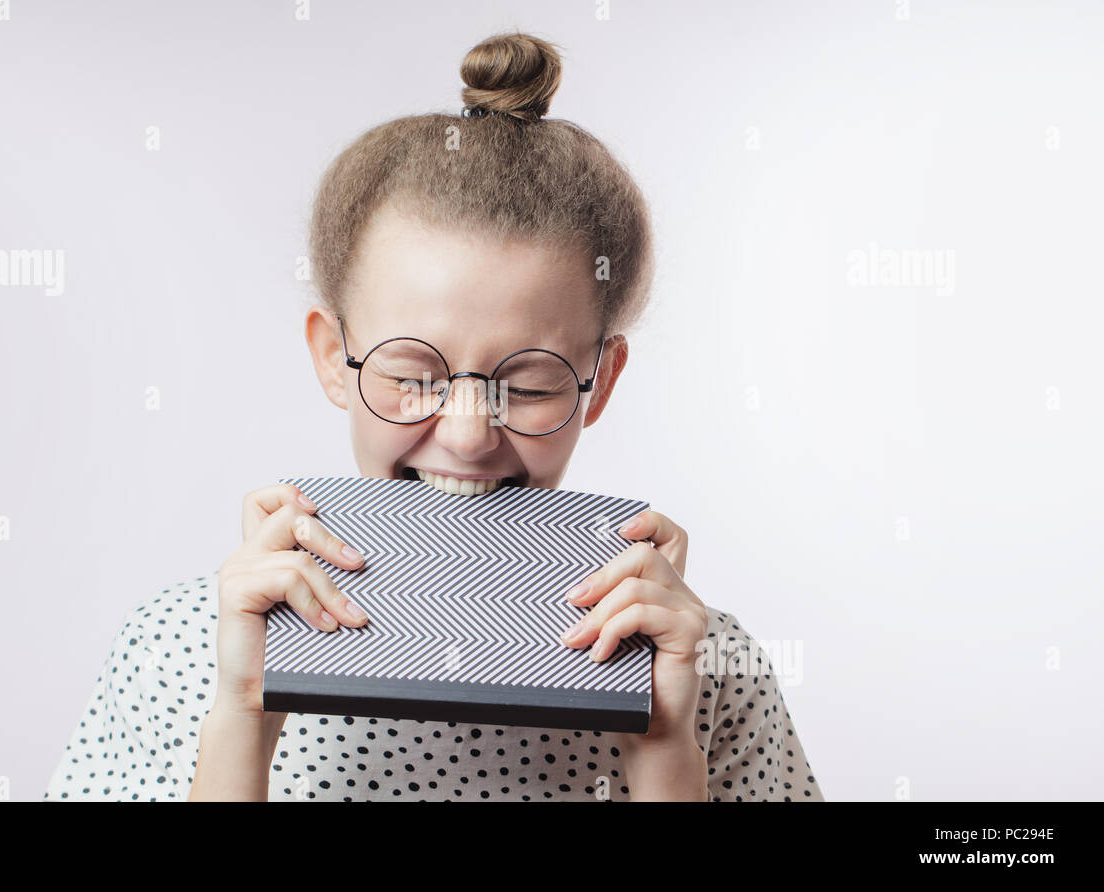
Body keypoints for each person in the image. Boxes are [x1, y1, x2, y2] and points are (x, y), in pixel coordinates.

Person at [44, 30, 823, 802]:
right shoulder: (176, 648)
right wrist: (242, 717)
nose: (466, 434)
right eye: (413, 374)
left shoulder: (706, 663)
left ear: (601, 380)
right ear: (331, 358)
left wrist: (664, 753)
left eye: (527, 385)